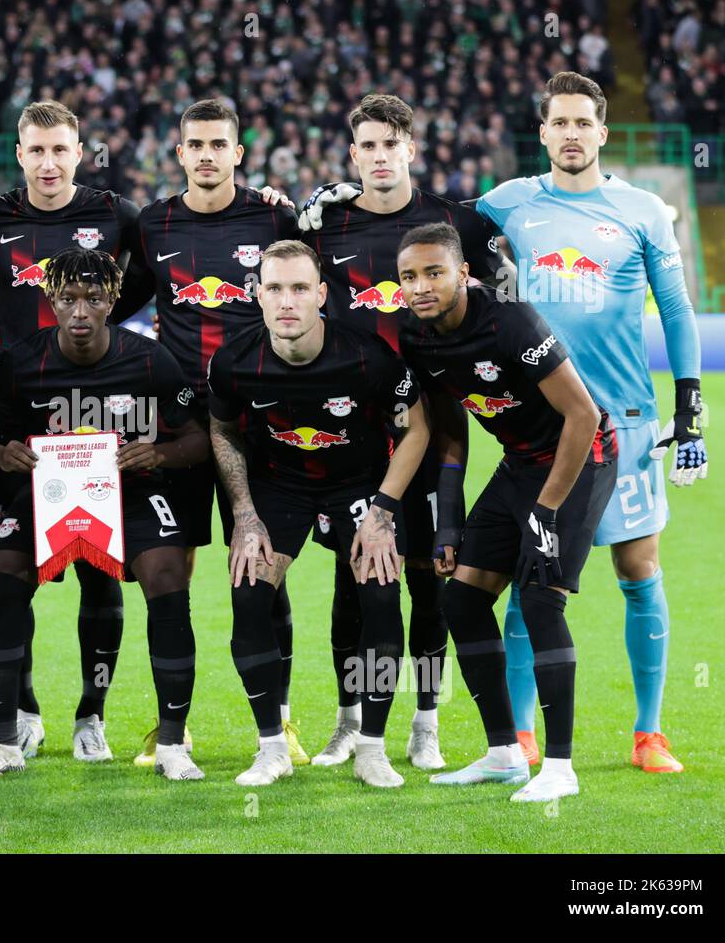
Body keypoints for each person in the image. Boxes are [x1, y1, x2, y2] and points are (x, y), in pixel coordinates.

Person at [475, 72, 705, 773]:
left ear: (603, 133)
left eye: (584, 123)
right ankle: (518, 737)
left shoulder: (641, 210)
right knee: (530, 578)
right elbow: (429, 221)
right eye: (559, 123)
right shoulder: (510, 202)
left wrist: (689, 410)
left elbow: (677, 309)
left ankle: (648, 732)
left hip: (626, 422)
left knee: (640, 569)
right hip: (543, 431)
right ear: (542, 133)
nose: (571, 135)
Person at [283, 93, 510, 771]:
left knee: (429, 580)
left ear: (412, 148)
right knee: (355, 582)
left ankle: (427, 723)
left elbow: (504, 297)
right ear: (353, 156)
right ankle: (351, 722)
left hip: (437, 428)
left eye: (392, 144)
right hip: (355, 431)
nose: (381, 157)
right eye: (368, 147)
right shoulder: (328, 226)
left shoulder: (458, 223)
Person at [0, 247, 209, 780]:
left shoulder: (149, 359)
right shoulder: (22, 360)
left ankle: (167, 743)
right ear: (50, 299)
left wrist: (158, 453)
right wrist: (1, 455)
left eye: (93, 299)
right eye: (67, 298)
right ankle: (5, 741)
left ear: (113, 300)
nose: (79, 312)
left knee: (166, 577)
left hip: (130, 490)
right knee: (4, 586)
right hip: (42, 489)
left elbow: (199, 437)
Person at [397, 223, 617, 802]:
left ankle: (561, 768)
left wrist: (545, 513)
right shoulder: (414, 338)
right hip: (520, 462)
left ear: (463, 272)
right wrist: (449, 521)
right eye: (409, 277)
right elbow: (447, 432)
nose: (421, 287)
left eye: (434, 272)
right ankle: (503, 754)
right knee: (462, 600)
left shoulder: (510, 320)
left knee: (541, 598)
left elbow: (584, 416)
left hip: (582, 457)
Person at [120, 99, 303, 766]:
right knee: (171, 572)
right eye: (193, 144)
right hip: (177, 421)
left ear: (237, 152)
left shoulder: (275, 217)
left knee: (264, 569)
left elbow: (312, 290)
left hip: (258, 419)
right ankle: (174, 729)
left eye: (216, 144)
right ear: (178, 154)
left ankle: (280, 724)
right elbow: (114, 303)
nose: (205, 155)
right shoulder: (153, 223)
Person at [0, 101, 148, 761]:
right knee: (13, 575)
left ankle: (90, 717)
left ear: (79, 153)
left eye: (59, 150)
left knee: (99, 572)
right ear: (20, 154)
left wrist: (99, 325)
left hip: (94, 420)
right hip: (15, 420)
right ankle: (24, 709)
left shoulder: (114, 215)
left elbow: (156, 269)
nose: (47, 163)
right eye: (35, 151)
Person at [208, 239, 429, 788]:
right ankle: (271, 747)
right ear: (257, 295)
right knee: (249, 589)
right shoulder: (234, 361)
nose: (287, 301)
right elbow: (221, 430)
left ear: (322, 296)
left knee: (379, 590)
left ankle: (371, 749)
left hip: (356, 486)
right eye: (275, 288)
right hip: (278, 488)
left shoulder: (368, 356)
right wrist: (244, 514)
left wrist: (381, 512)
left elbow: (416, 429)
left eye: (300, 288)